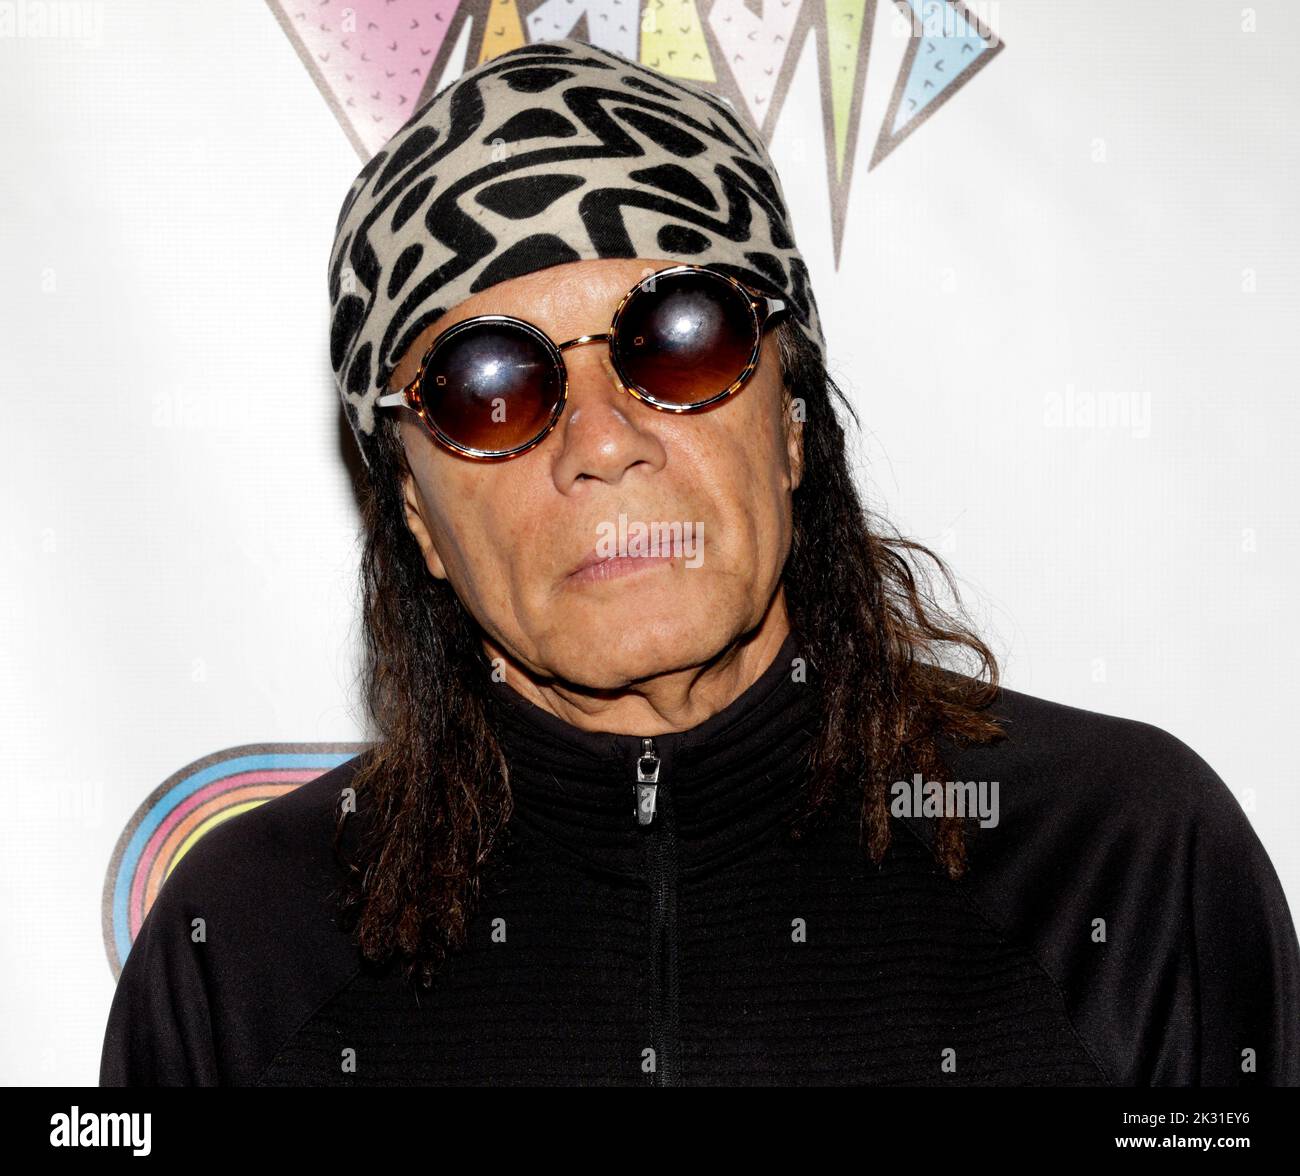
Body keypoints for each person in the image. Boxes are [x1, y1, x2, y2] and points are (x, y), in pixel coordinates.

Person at [100, 36, 1299, 1087]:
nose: (602, 444)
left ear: (790, 417)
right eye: (488, 387)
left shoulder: (1120, 865)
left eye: (676, 338)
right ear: (413, 509)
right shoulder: (245, 951)